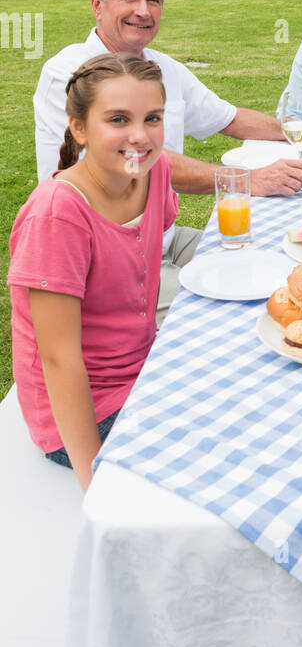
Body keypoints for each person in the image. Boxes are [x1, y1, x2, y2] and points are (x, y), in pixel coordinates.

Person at [33, 0, 302, 316]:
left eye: (154, 0)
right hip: (102, 258)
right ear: (97, 5)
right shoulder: (69, 76)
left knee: (276, 270)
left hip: (162, 239)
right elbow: (128, 165)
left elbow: (228, 118)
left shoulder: (162, 69)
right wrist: (246, 180)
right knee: (228, 313)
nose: (144, 11)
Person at [9, 54, 178, 493]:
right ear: (78, 128)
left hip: (144, 371)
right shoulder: (58, 217)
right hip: (82, 413)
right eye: (118, 119)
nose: (139, 136)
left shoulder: (154, 171)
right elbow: (59, 359)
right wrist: (92, 480)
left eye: (153, 118)